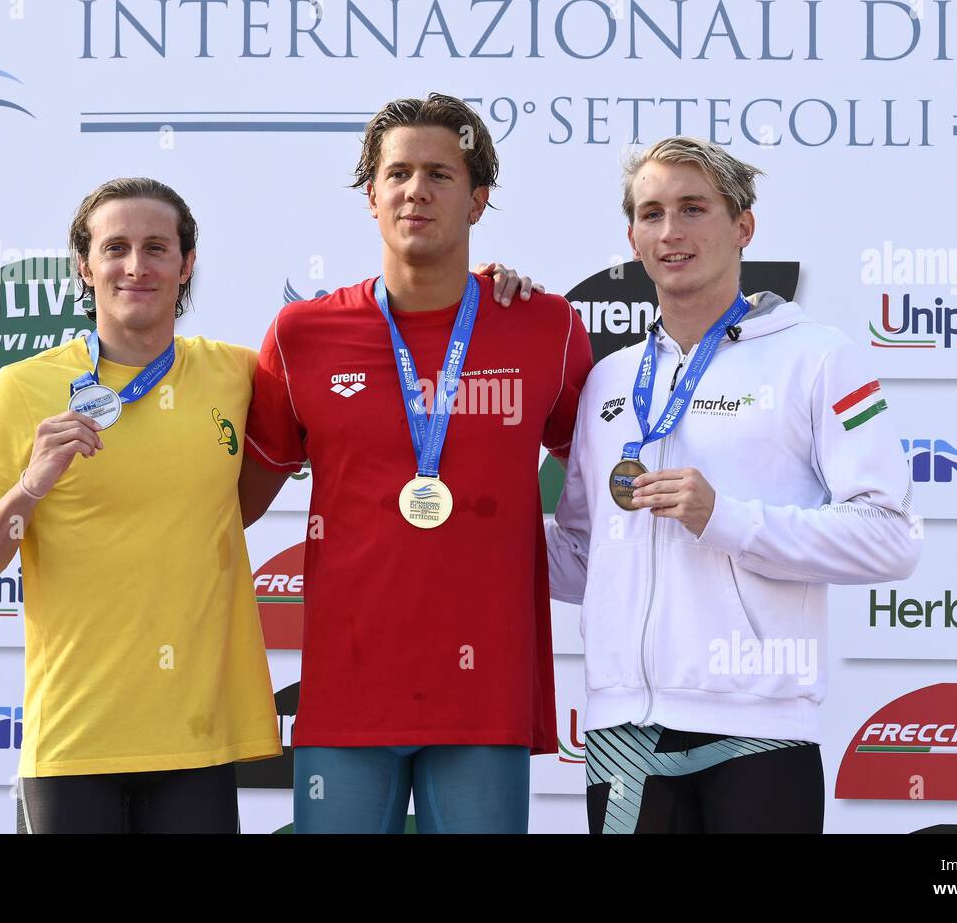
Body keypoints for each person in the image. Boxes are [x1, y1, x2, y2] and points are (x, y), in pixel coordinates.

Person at [240, 93, 593, 833]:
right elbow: (230, 503)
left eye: (440, 172)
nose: (416, 190)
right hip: (347, 693)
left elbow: (602, 481)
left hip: (483, 698)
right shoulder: (302, 335)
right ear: (370, 195)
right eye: (397, 172)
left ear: (479, 200)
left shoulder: (546, 326)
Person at [545, 137, 919, 834]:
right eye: (652, 213)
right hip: (624, 728)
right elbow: (587, 556)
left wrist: (729, 519)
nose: (671, 232)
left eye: (694, 209)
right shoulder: (610, 378)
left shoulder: (818, 358)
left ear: (743, 226)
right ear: (632, 236)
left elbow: (891, 538)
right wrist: (477, 532)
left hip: (760, 729)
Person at [0, 178, 283, 833]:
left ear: (186, 266)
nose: (135, 265)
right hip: (73, 742)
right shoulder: (21, 389)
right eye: (115, 246)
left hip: (196, 738)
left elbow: (360, 363)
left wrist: (490, 295)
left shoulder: (238, 375)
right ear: (84, 265)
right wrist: (31, 484)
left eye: (157, 248)